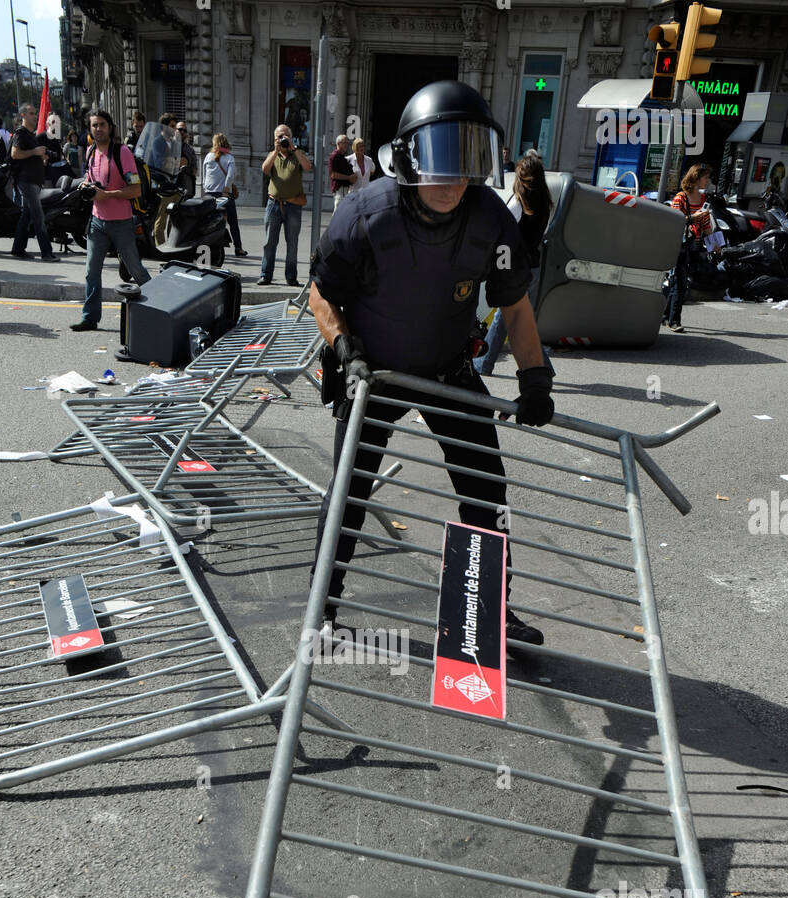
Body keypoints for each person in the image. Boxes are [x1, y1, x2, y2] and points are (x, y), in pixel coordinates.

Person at [308, 80, 554, 648]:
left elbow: (514, 306)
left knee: (487, 488)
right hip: (376, 375)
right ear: (410, 156)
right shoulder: (365, 214)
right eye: (442, 157)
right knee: (349, 491)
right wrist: (345, 349)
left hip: (447, 369)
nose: (454, 177)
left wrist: (536, 380)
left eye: (468, 158)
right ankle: (322, 607)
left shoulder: (491, 218)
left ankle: (489, 612)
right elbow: (320, 293)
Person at [475, 150, 554, 377]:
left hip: (514, 265)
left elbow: (502, 234)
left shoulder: (518, 204)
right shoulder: (545, 204)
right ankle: (486, 362)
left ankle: (485, 362)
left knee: (509, 315)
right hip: (534, 266)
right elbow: (543, 234)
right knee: (519, 316)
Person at [70, 108, 150, 332]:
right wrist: (86, 186)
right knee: (91, 272)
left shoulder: (122, 152)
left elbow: (134, 190)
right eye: (94, 125)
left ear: (110, 127)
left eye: (102, 125)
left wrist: (108, 195)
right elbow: (90, 178)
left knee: (136, 270)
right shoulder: (90, 152)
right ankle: (90, 318)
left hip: (122, 222)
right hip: (97, 221)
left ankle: (161, 308)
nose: (98, 129)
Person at [257, 123, 312, 286]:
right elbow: (264, 169)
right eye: (279, 136)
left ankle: (291, 276)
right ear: (275, 139)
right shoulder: (272, 155)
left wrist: (294, 148)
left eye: (285, 136)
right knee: (269, 242)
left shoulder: (297, 154)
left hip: (293, 207)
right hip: (273, 204)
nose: (282, 139)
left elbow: (308, 167)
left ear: (290, 136)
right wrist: (275, 150)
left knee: (292, 243)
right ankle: (265, 275)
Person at [664, 163, 712, 332]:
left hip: (693, 245)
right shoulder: (680, 197)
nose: (708, 180)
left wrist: (715, 243)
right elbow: (674, 221)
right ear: (697, 178)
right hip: (678, 245)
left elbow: (706, 225)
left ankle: (664, 316)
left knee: (678, 280)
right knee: (681, 283)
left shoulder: (702, 199)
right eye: (705, 177)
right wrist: (693, 217)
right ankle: (674, 321)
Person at [9, 103, 59, 262]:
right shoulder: (20, 133)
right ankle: (46, 253)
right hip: (27, 181)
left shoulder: (31, 135)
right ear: (23, 116)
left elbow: (30, 155)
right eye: (31, 113)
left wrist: (39, 157)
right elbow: (15, 154)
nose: (35, 115)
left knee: (27, 216)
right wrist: (35, 152)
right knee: (38, 217)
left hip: (35, 181)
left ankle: (18, 249)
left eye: (35, 113)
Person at [202, 133, 248, 257]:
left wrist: (206, 190)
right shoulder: (229, 158)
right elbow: (230, 176)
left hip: (209, 194)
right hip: (224, 194)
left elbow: (204, 176)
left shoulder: (208, 156)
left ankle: (206, 247)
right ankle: (238, 248)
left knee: (208, 222)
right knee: (233, 222)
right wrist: (226, 190)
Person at [328, 132, 356, 208]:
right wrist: (349, 177)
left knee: (342, 213)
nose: (347, 145)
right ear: (338, 144)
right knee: (338, 213)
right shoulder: (335, 156)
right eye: (345, 143)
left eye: (347, 143)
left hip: (345, 189)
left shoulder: (342, 156)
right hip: (340, 189)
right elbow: (333, 175)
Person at [175, 122, 197, 197]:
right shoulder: (169, 146)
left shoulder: (190, 150)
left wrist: (187, 169)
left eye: (184, 131)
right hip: (171, 187)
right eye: (180, 129)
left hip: (186, 188)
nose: (182, 132)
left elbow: (194, 169)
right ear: (175, 130)